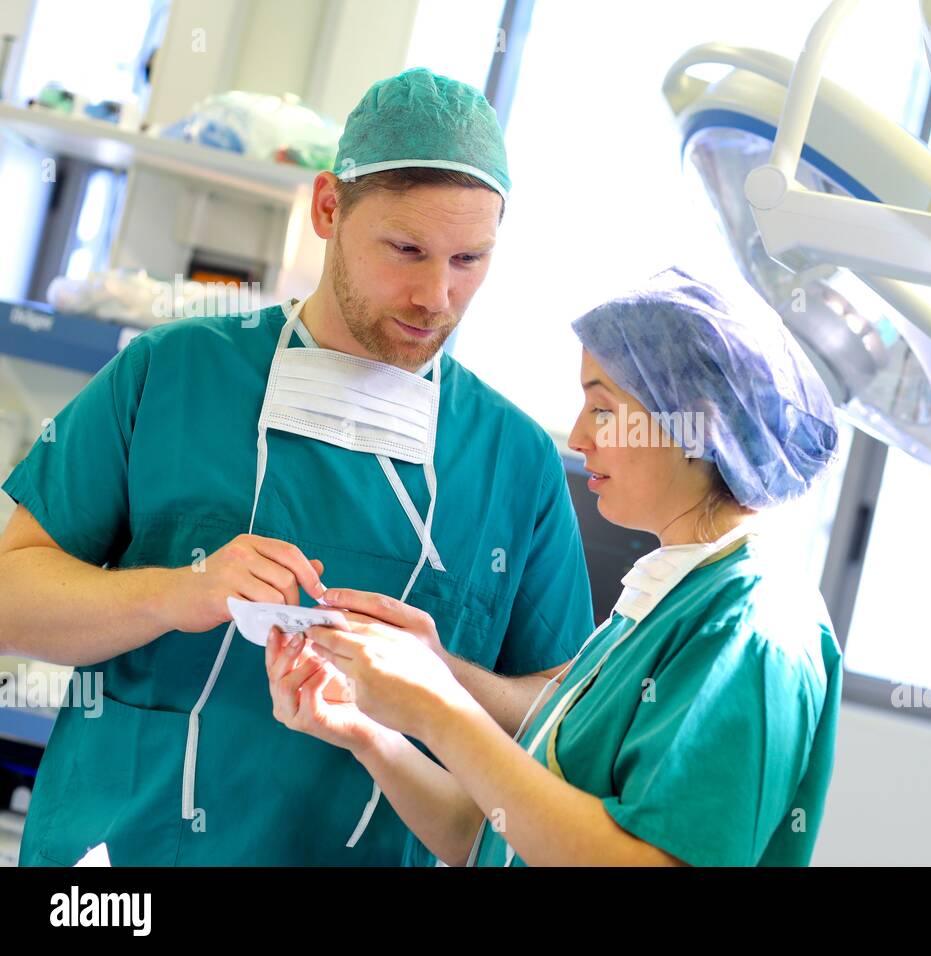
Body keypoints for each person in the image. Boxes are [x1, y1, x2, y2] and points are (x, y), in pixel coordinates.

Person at [0, 69, 594, 866]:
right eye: (406, 249)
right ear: (327, 208)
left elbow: (565, 716)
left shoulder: (515, 462)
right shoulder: (171, 374)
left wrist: (436, 674)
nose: (436, 295)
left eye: (469, 259)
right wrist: (176, 593)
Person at [268, 267, 844, 866]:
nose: (577, 437)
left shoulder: (751, 633)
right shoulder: (668, 598)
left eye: (602, 407)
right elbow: (494, 835)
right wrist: (367, 729)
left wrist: (437, 708)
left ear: (693, 423)